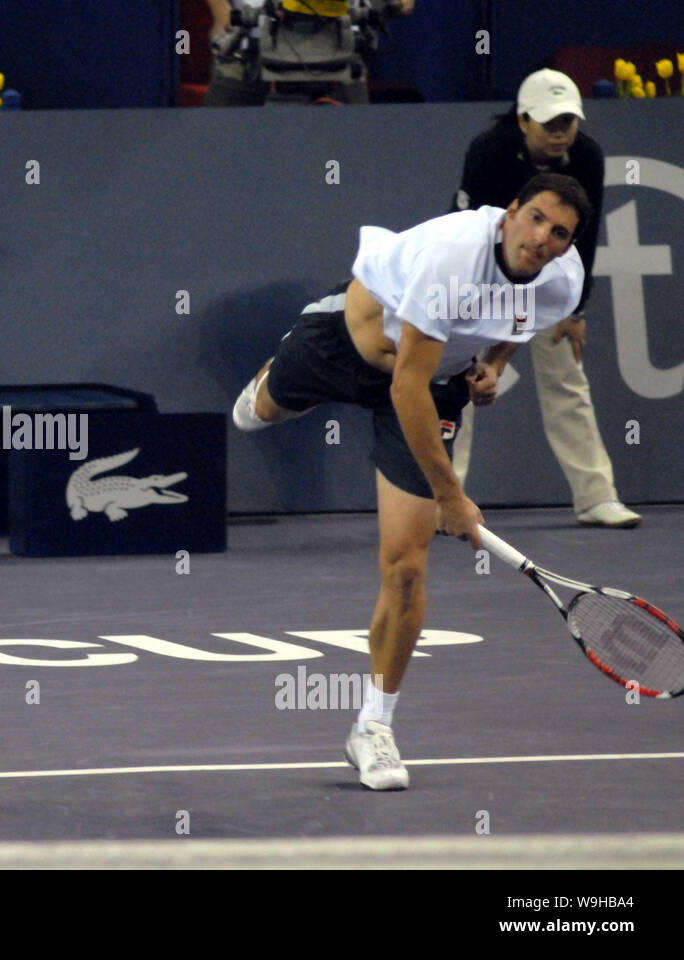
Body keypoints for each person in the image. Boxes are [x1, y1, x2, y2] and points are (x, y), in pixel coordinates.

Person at [232, 173, 588, 789]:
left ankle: (374, 726)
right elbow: (405, 387)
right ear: (510, 213)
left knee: (406, 568)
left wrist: (491, 366)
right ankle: (273, 379)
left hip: (433, 378)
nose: (542, 238)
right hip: (346, 345)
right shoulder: (454, 256)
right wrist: (451, 496)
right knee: (260, 414)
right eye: (534, 219)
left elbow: (516, 323)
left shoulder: (562, 279)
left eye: (559, 233)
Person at [449, 69, 640, 528]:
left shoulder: (587, 157)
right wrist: (469, 302)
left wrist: (575, 308)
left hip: (549, 280)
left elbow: (586, 238)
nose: (560, 133)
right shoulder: (489, 152)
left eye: (568, 122)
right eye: (550, 123)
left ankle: (596, 497)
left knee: (567, 380)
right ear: (523, 120)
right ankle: (445, 497)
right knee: (457, 382)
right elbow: (467, 229)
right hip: (481, 278)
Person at [204, 0, 415, 107]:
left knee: (349, 163)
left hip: (341, 56)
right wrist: (219, 9)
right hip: (246, 54)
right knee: (219, 158)